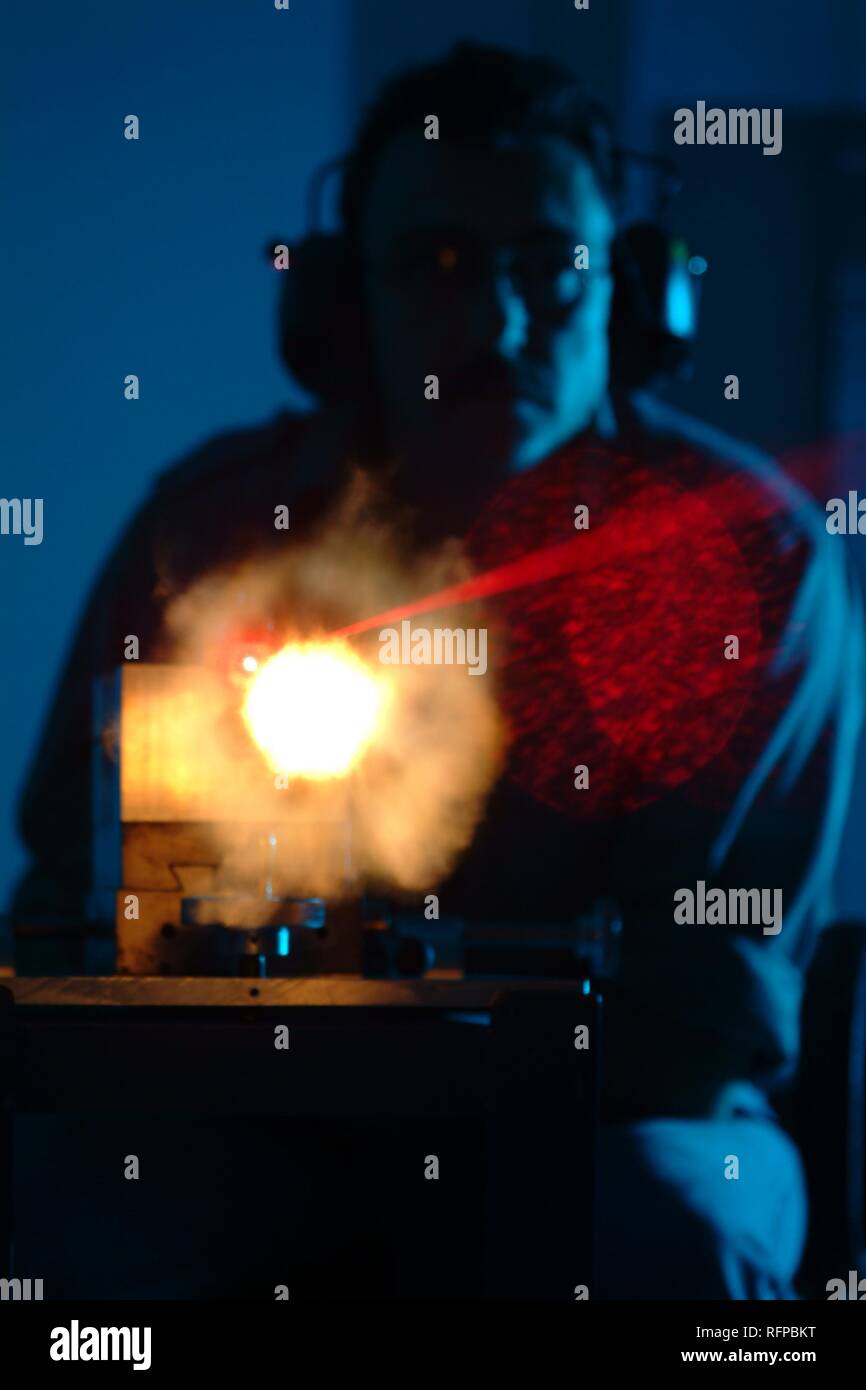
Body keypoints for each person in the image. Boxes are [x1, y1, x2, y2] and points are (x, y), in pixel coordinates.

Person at [12, 42, 864, 1298]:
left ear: (628, 294)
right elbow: (65, 913)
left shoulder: (735, 558)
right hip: (233, 1123)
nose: (500, 324)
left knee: (656, 1241)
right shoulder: (206, 533)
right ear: (347, 302)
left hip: (615, 1123)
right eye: (439, 266)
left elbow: (691, 1025)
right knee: (87, 1227)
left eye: (550, 267)